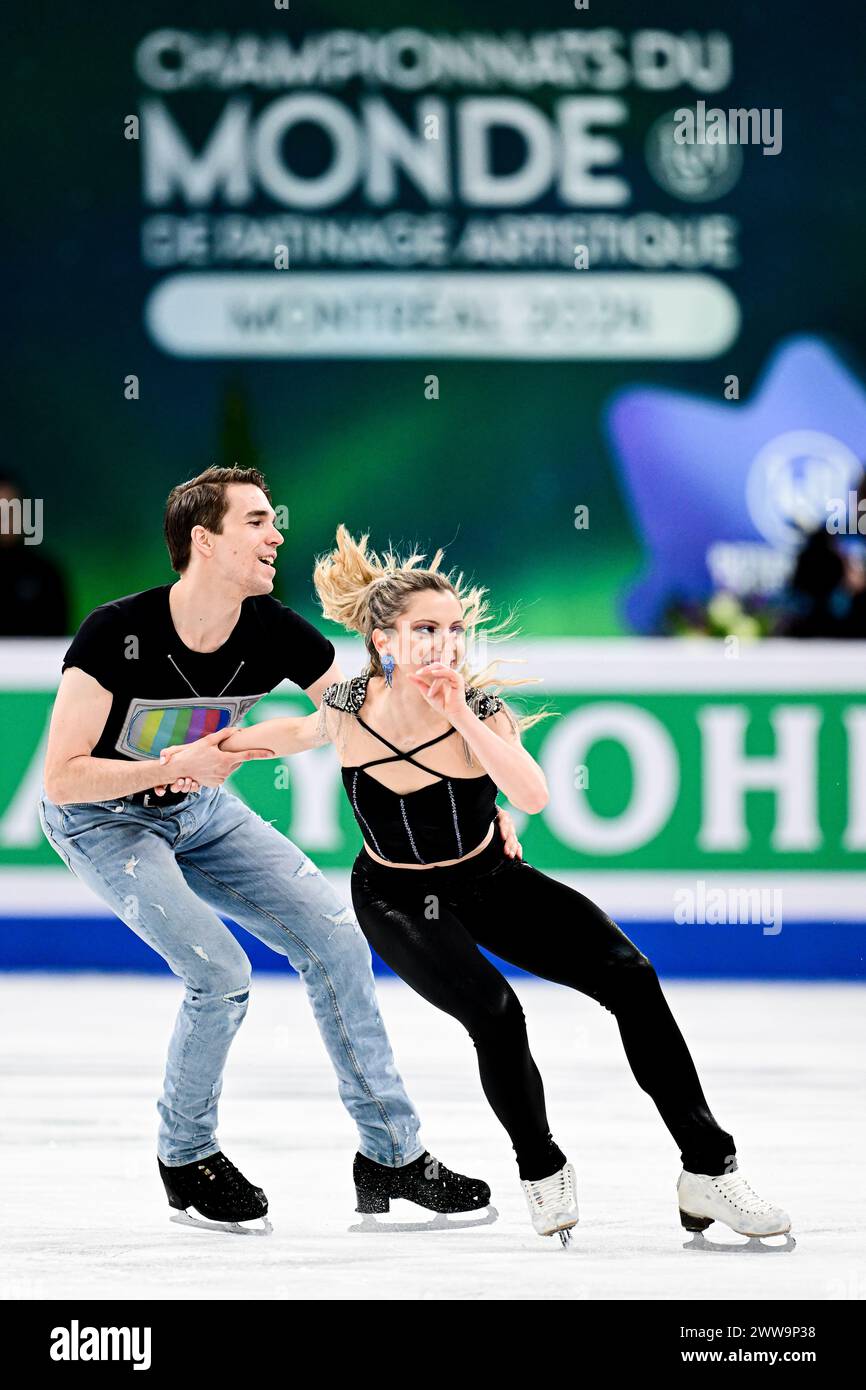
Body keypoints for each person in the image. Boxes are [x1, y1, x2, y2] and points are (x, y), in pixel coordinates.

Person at [181, 524, 793, 1246]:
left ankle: (708, 1168)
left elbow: (529, 795)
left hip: (492, 881)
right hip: (397, 900)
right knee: (498, 1015)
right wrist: (208, 751)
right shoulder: (349, 707)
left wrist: (460, 717)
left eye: (455, 629)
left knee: (631, 976)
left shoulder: (482, 707)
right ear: (385, 642)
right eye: (426, 628)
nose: (445, 642)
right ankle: (541, 1167)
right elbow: (290, 734)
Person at [38, 467, 521, 1234]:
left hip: (199, 810)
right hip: (104, 823)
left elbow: (378, 717)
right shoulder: (115, 633)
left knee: (335, 941)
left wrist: (485, 800)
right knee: (218, 973)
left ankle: (392, 1157)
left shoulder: (272, 630)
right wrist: (170, 767)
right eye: (258, 522)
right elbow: (62, 779)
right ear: (204, 539)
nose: (277, 535)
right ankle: (185, 1155)